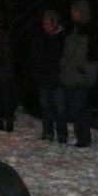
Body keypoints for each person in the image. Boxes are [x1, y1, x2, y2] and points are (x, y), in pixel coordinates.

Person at [59, 0, 98, 148]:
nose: (72, 13)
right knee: (74, 109)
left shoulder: (91, 32)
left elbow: (95, 57)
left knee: (79, 109)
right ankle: (81, 137)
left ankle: (84, 139)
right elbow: (66, 54)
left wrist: (85, 71)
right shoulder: (72, 30)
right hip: (69, 77)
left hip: (82, 79)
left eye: (74, 10)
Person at [29, 9, 67, 143]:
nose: (44, 26)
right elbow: (35, 58)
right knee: (46, 107)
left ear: (54, 23)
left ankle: (62, 133)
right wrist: (37, 73)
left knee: (60, 108)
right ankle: (48, 131)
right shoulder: (40, 38)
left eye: (47, 23)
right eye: (44, 23)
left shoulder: (63, 38)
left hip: (59, 79)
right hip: (44, 78)